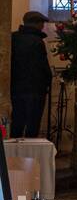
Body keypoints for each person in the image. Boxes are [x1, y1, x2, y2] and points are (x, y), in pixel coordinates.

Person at [9, 11, 52, 139]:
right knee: (32, 124)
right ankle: (30, 155)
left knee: (17, 121)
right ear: (36, 24)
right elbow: (42, 66)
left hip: (16, 88)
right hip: (35, 89)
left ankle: (14, 154)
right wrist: (48, 80)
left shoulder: (13, 38)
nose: (43, 26)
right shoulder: (37, 41)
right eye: (42, 23)